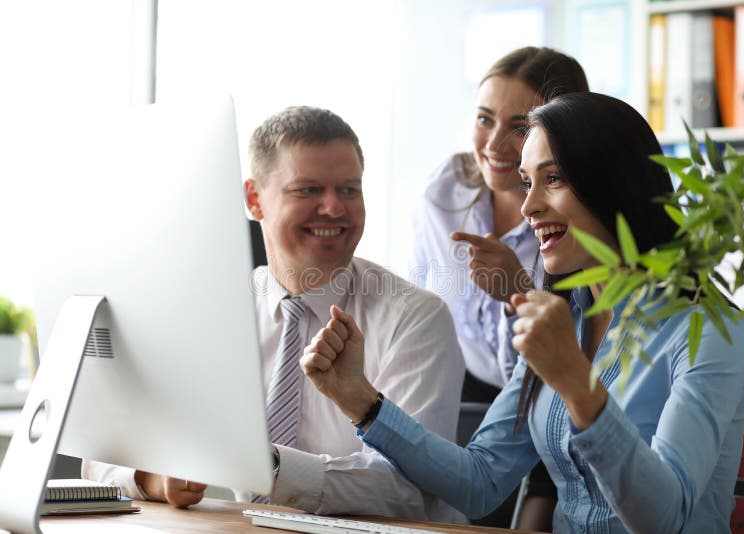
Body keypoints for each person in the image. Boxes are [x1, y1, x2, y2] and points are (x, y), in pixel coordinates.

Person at [302, 93, 744, 532]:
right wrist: (361, 401)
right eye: (526, 183)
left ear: (614, 183)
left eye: (553, 179)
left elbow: (664, 519)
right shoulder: (565, 319)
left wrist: (575, 382)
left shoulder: (709, 331)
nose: (528, 207)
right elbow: (479, 481)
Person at [83, 106, 466, 522]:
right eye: (308, 190)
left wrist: (270, 467)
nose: (334, 208)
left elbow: (408, 489)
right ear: (254, 199)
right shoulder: (213, 311)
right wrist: (156, 478)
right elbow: (102, 456)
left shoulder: (416, 320)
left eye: (350, 190)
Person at [409, 46, 589, 402]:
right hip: (455, 388)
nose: (493, 144)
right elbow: (416, 301)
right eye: (484, 119)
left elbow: (566, 367)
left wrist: (517, 292)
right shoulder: (443, 193)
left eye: (519, 127)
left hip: (545, 399)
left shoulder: (581, 221)